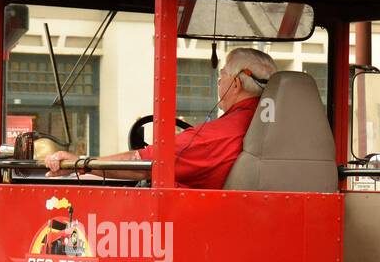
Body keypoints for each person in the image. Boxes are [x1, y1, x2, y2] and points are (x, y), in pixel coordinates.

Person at [43, 47, 278, 188]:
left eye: (222, 75)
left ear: (235, 84)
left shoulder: (220, 135)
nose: (220, 83)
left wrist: (80, 163)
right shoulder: (280, 128)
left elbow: (146, 163)